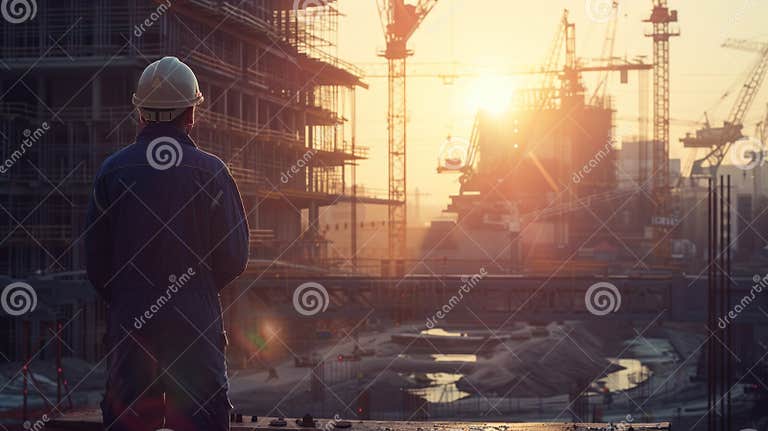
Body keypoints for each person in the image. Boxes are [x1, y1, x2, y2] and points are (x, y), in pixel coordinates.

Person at [85, 56, 250, 431]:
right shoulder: (212, 173)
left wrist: (132, 297)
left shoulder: (112, 173)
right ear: (191, 114)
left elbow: (96, 263)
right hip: (194, 328)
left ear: (140, 113)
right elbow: (234, 256)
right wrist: (195, 292)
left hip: (132, 328)